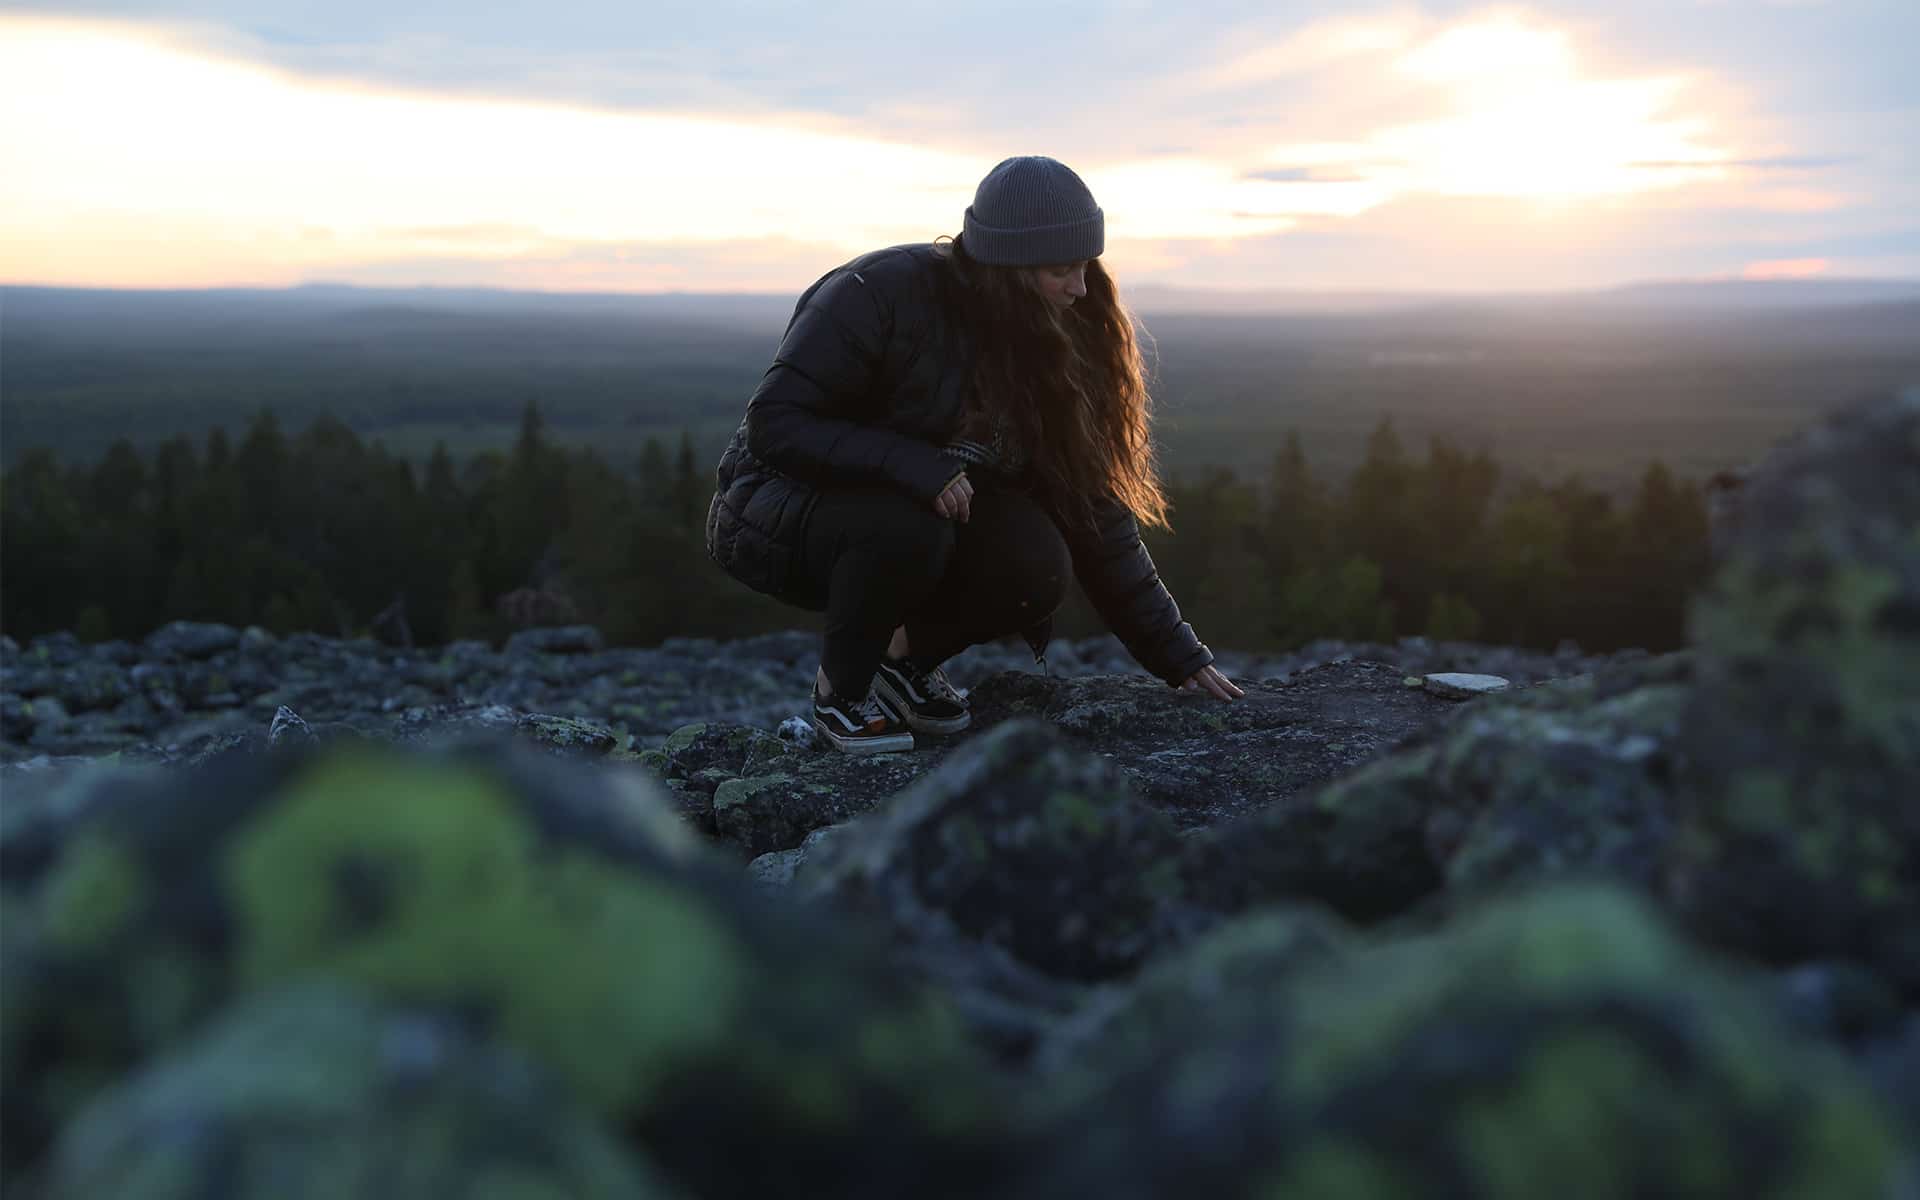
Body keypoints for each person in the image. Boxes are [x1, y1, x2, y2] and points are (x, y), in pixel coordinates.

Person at [705, 154, 1244, 754]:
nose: (1081, 287)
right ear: (1005, 268)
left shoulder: (1058, 336)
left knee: (1034, 560)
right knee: (909, 523)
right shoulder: (878, 292)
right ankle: (843, 694)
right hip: (779, 508)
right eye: (1061, 270)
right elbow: (774, 425)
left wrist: (1177, 656)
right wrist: (910, 465)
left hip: (918, 511)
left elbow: (1094, 512)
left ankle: (900, 662)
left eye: (1086, 265)